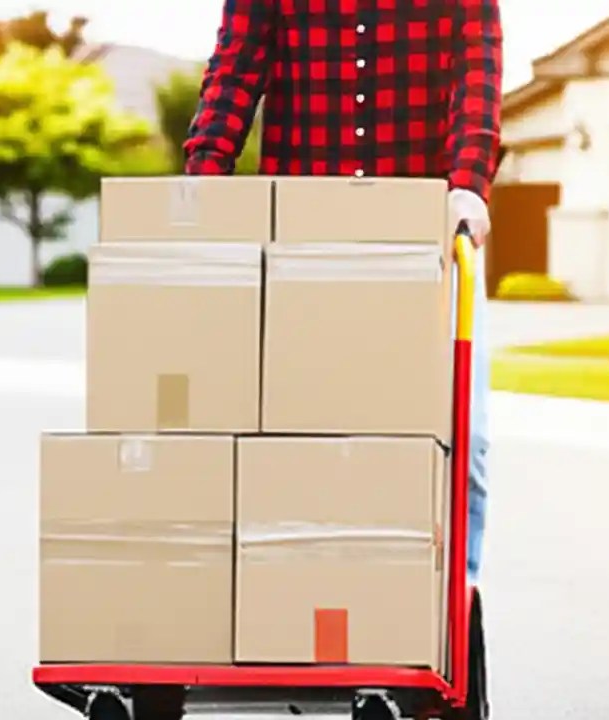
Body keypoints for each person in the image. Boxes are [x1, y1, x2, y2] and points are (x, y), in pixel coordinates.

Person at [184, 0, 502, 588]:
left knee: (466, 440)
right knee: (299, 432)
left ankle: (450, 610)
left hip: (427, 226)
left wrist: (469, 183)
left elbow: (476, 67)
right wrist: (204, 182)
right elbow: (236, 65)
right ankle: (294, 601)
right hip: (305, 227)